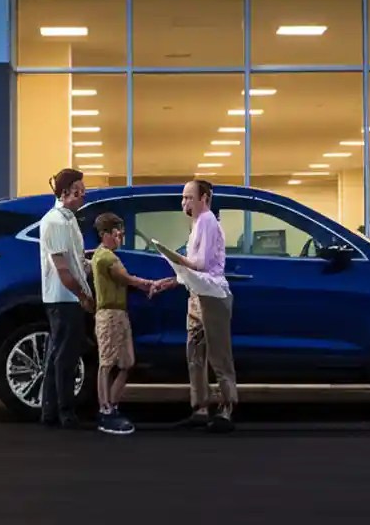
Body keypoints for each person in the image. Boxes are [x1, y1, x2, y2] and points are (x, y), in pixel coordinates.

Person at [151, 179, 237, 433]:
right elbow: (192, 270)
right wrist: (170, 279)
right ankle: (200, 407)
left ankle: (226, 407)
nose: (184, 202)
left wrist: (175, 258)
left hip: (212, 294)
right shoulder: (198, 224)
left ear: (205, 198)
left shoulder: (208, 221)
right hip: (197, 293)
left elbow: (200, 264)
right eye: (183, 197)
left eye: (190, 197)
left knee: (218, 354)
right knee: (195, 353)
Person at [90, 212, 166, 435]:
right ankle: (105, 410)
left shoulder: (103, 255)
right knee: (107, 363)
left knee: (126, 363)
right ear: (105, 234)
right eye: (116, 233)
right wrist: (150, 284)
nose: (120, 237)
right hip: (109, 315)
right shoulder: (106, 258)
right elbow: (127, 279)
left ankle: (112, 405)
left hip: (119, 314)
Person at [38, 168, 96, 429]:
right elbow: (62, 268)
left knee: (57, 355)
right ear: (63, 193)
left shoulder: (69, 219)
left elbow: (74, 259)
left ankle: (50, 411)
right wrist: (82, 296)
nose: (82, 196)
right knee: (65, 357)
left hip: (68, 297)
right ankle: (65, 411)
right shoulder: (55, 222)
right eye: (78, 192)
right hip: (64, 299)